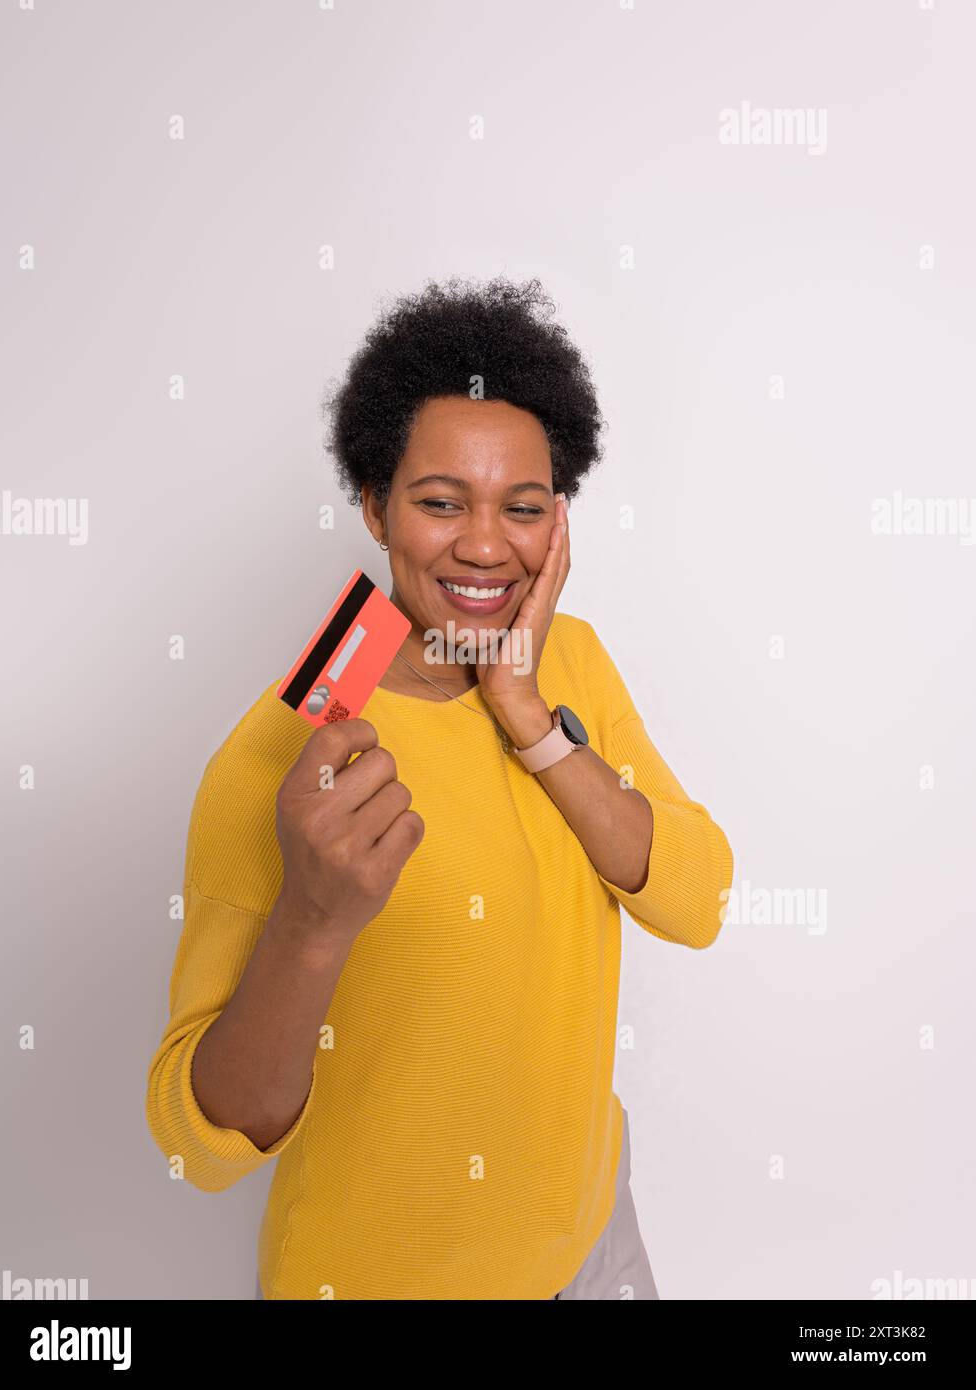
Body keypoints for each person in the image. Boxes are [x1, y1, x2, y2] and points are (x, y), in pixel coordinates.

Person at [145, 276, 733, 1300]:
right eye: (439, 501)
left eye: (524, 506)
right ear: (375, 507)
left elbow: (700, 901)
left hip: (595, 1240)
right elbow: (200, 1146)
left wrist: (527, 717)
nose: (485, 545)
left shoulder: (570, 663)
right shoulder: (278, 755)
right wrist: (313, 919)